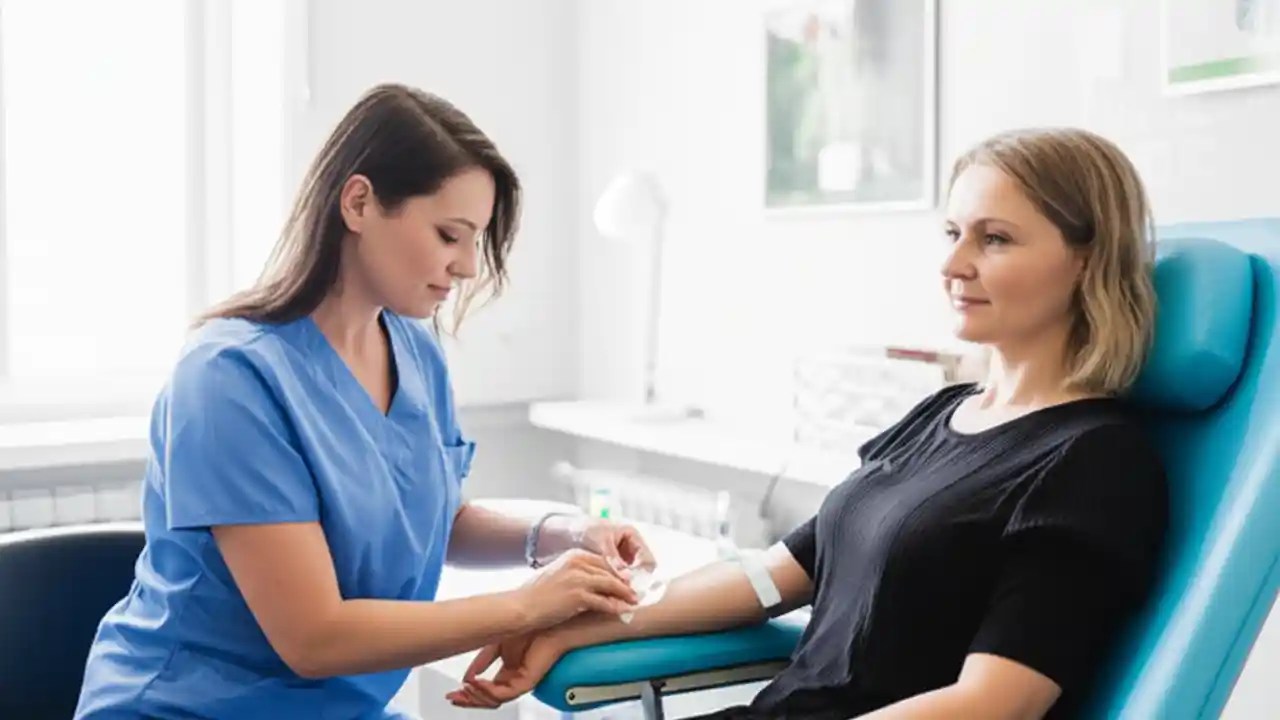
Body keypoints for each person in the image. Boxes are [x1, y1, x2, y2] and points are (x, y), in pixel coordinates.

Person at [446, 127, 1170, 720]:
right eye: (952, 231)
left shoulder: (1095, 463)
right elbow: (772, 578)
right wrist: (570, 625)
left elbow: (995, 705)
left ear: (1086, 260)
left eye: (995, 239)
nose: (953, 263)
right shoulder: (941, 415)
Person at [74, 83, 654, 720]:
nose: (465, 267)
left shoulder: (413, 351)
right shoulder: (228, 380)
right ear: (358, 202)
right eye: (448, 234)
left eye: (475, 241)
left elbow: (431, 521)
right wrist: (525, 605)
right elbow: (313, 638)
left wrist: (564, 535)